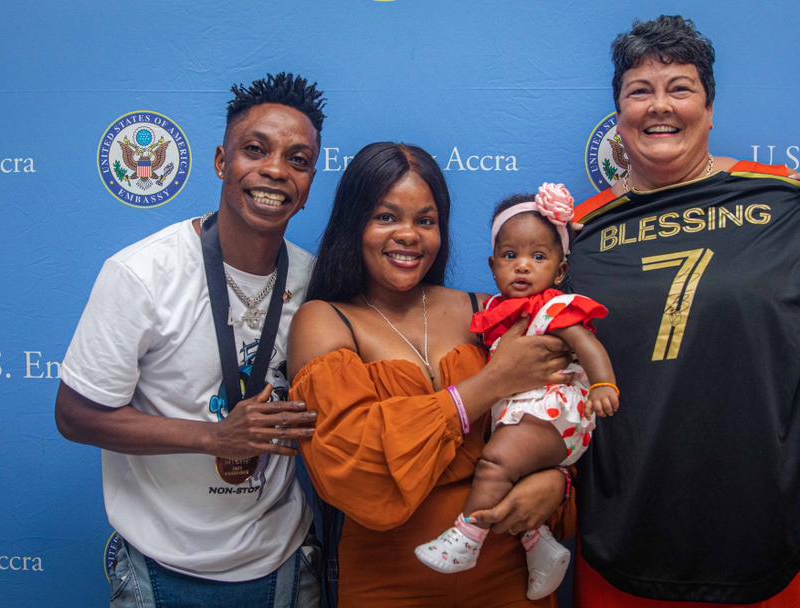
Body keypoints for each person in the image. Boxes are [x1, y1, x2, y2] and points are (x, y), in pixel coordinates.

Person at [568, 16, 800, 607]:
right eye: (639, 91)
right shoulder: (580, 229)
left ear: (710, 107)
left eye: (680, 88)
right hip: (627, 517)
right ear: (618, 115)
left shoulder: (784, 201)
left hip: (769, 511)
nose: (659, 106)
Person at [55, 72, 327, 607]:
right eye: (256, 150)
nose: (275, 170)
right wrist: (214, 437)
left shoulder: (315, 282)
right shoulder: (141, 273)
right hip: (162, 570)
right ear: (223, 162)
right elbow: (74, 416)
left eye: (297, 160)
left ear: (310, 182)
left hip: (286, 567)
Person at [287, 142, 575, 607]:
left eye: (425, 220)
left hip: (508, 576)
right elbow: (355, 468)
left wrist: (559, 482)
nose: (409, 235)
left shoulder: (489, 311)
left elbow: (561, 412)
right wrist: (489, 383)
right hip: (387, 583)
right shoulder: (324, 320)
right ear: (353, 223)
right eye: (386, 217)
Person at [414, 182, 617, 601]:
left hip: (556, 415)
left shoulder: (555, 309)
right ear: (492, 265)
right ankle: (539, 546)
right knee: (511, 479)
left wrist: (602, 384)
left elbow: (587, 345)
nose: (523, 266)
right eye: (511, 256)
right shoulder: (492, 313)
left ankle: (467, 535)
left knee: (494, 463)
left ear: (560, 270)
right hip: (523, 413)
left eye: (538, 257)